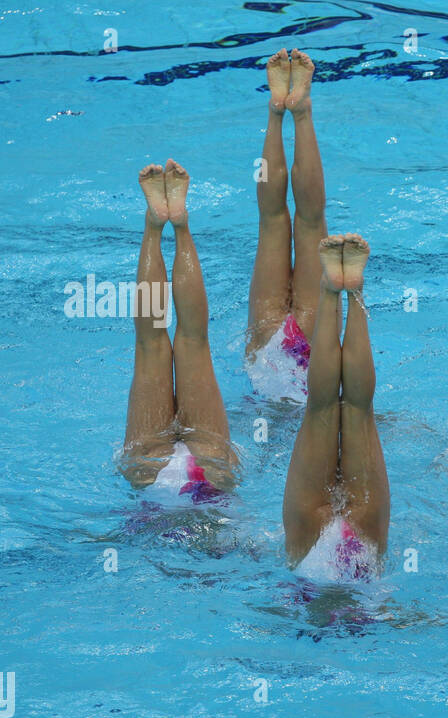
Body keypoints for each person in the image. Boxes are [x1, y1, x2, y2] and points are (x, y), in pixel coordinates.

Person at [122, 160, 237, 501]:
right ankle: (178, 226)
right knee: (185, 342)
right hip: (206, 478)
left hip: (155, 473)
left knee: (156, 343)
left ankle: (156, 225)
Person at [282, 235, 390, 581]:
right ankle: (338, 290)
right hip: (312, 552)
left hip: (353, 552)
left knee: (344, 410)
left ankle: (348, 289)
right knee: (329, 410)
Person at [247, 49, 328, 400]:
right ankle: (288, 111)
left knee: (287, 221)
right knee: (280, 221)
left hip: (301, 355)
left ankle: (288, 111)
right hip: (275, 354)